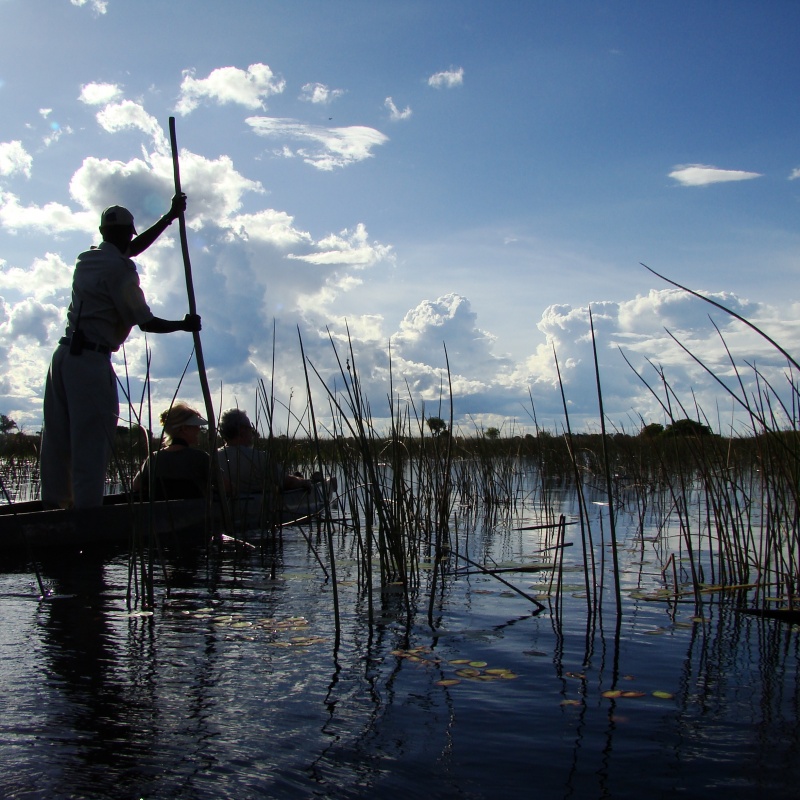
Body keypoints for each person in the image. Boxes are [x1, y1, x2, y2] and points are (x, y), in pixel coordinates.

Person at [40, 194, 201, 509]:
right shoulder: (122, 271)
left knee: (57, 442)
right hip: (90, 362)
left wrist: (169, 217)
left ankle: (53, 511)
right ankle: (87, 517)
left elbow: (128, 249)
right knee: (92, 443)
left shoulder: (86, 260)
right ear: (128, 233)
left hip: (62, 358)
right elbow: (146, 323)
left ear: (102, 232)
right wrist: (184, 325)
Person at [215, 408, 313, 496]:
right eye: (250, 429)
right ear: (242, 430)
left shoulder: (213, 458)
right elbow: (287, 482)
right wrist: (303, 482)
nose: (252, 434)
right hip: (256, 508)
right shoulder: (259, 458)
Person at [132, 403, 211, 500]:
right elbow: (224, 486)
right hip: (194, 509)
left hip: (161, 509)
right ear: (184, 429)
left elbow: (136, 486)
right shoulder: (201, 458)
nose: (199, 429)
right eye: (196, 426)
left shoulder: (154, 458)